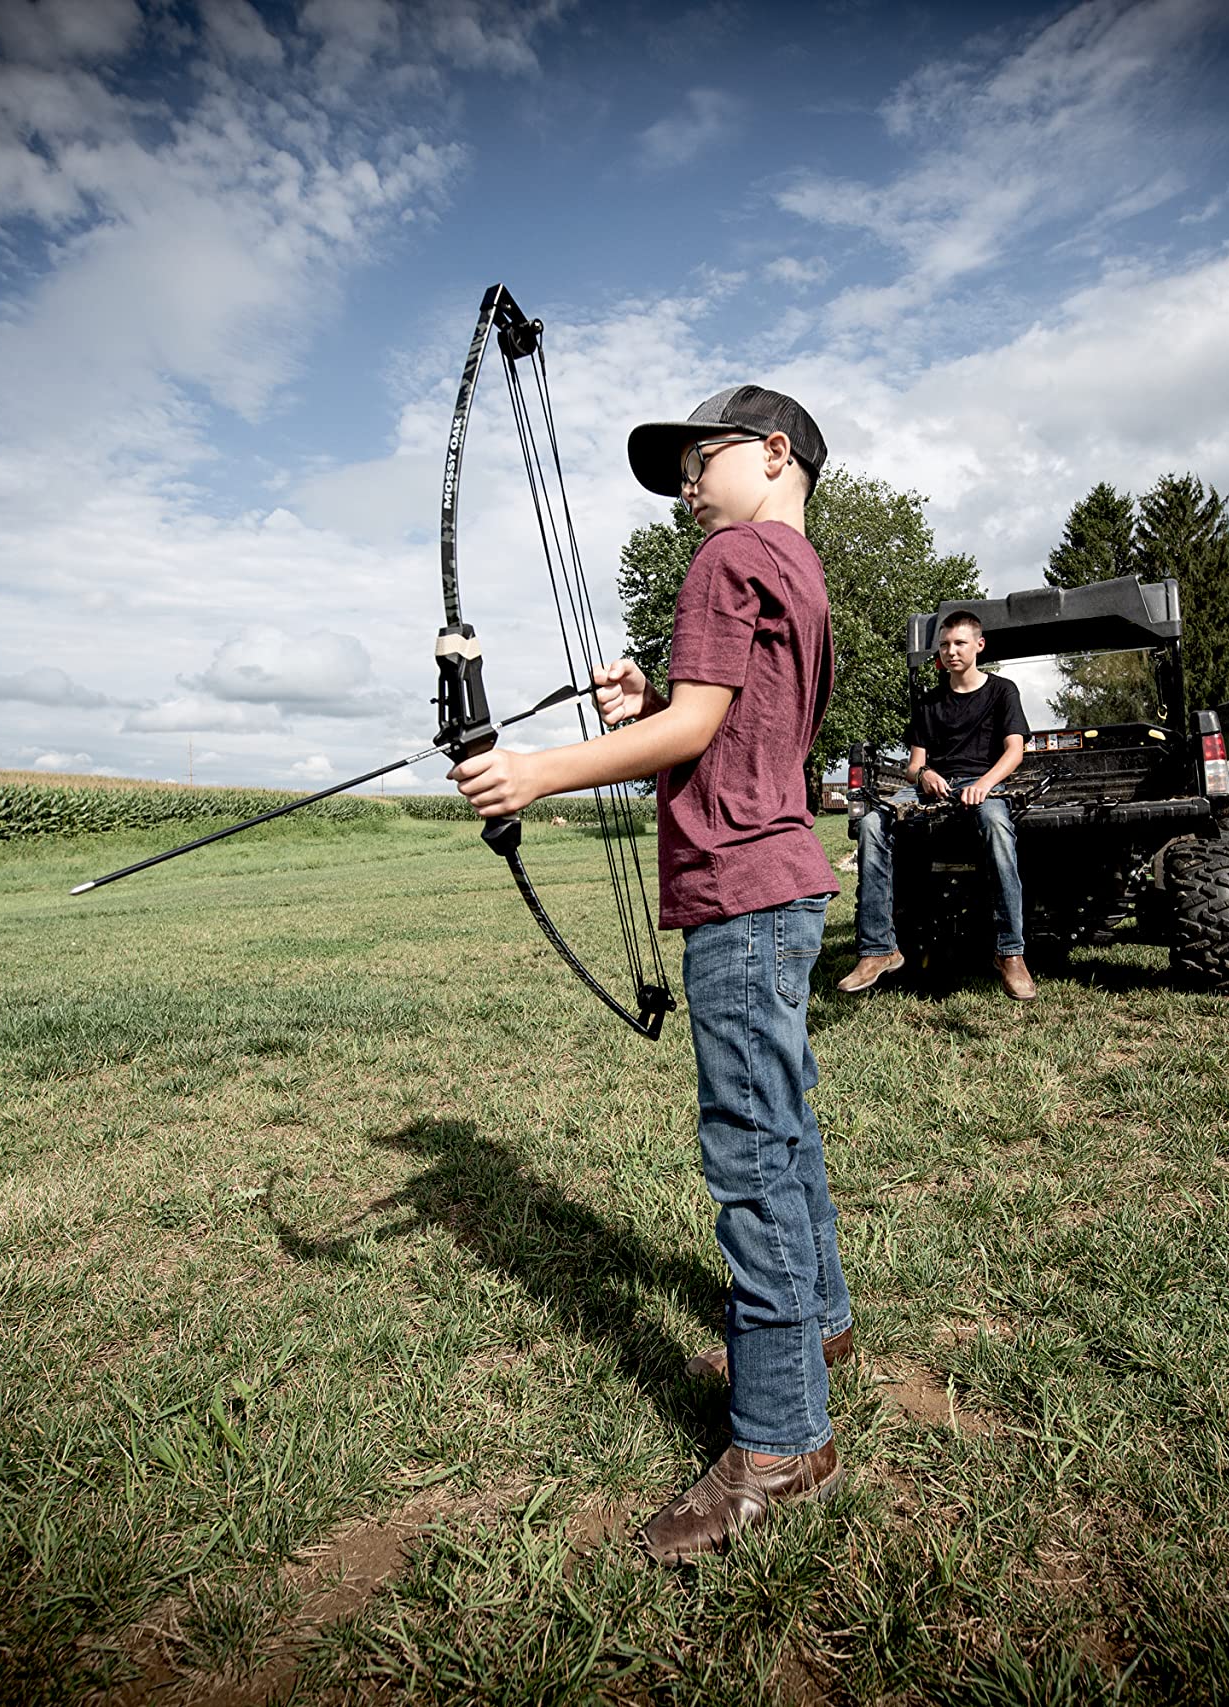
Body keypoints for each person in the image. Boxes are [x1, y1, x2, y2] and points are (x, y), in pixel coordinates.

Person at [451, 383, 852, 1565]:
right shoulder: (799, 568)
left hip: (740, 890)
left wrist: (534, 772)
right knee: (785, 1130)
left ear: (773, 454)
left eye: (700, 458)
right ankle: (814, 1331)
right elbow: (729, 725)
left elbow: (696, 732)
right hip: (785, 881)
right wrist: (652, 705)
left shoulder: (729, 557)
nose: (686, 484)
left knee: (748, 1152)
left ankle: (778, 1442)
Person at [838, 610, 1035, 999]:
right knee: (871, 825)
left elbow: (1015, 752)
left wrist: (984, 784)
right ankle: (878, 949)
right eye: (944, 645)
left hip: (984, 784)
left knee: (997, 827)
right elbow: (913, 767)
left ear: (979, 645)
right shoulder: (929, 702)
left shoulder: (1002, 691)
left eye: (959, 643)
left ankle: (1010, 954)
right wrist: (925, 774)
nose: (950, 651)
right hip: (932, 788)